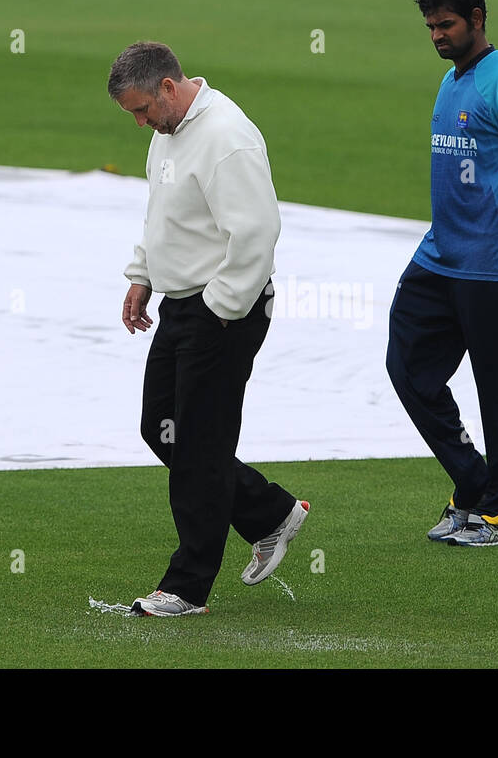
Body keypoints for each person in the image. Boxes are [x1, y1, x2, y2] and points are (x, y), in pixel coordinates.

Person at [108, 41, 308, 616]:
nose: (141, 123)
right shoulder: (169, 132)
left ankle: (185, 588)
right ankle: (269, 512)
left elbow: (256, 234)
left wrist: (220, 311)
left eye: (143, 110)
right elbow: (164, 214)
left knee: (197, 445)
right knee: (161, 428)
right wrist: (143, 275)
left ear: (168, 87)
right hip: (183, 305)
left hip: (225, 310)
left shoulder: (226, 137)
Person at [387, 0, 498, 547]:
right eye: (431, 26)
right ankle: (473, 481)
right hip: (439, 258)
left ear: (478, 17)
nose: (437, 35)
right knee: (407, 368)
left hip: (493, 266)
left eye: (447, 24)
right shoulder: (450, 81)